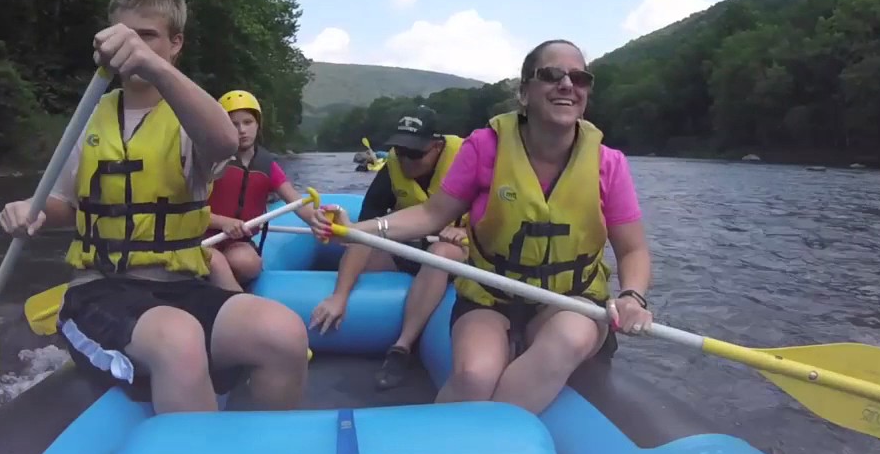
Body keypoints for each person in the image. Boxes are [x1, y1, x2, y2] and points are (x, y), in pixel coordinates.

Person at [0, 0, 309, 415]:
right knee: (179, 339)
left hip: (181, 285)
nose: (131, 46)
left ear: (175, 43)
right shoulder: (90, 117)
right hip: (100, 289)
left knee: (284, 331)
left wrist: (154, 68)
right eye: (122, 35)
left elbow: (222, 141)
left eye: (146, 36)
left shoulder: (195, 119)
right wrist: (28, 212)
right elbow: (67, 206)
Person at [311, 39, 653, 415]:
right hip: (493, 295)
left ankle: (483, 438)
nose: (567, 85)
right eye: (551, 75)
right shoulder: (485, 148)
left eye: (579, 77)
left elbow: (632, 249)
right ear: (524, 92)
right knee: (474, 375)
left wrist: (633, 296)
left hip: (571, 300)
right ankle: (450, 441)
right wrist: (359, 229)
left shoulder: (609, 164)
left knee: (569, 337)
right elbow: (430, 215)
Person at [309, 107, 468, 391]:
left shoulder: (468, 162)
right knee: (368, 239)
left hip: (460, 252)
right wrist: (340, 294)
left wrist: (466, 230)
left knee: (440, 254)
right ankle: (340, 303)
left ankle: (402, 347)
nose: (406, 160)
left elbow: (498, 218)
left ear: (438, 145)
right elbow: (366, 228)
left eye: (416, 153)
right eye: (401, 150)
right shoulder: (392, 168)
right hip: (411, 246)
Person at [204, 89, 315, 291]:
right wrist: (224, 222)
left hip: (238, 242)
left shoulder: (267, 165)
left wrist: (318, 221)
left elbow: (295, 201)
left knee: (248, 263)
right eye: (233, 124)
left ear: (258, 125)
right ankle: (235, 303)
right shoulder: (208, 161)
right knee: (213, 261)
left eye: (248, 122)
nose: (242, 130)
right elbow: (185, 210)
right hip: (202, 238)